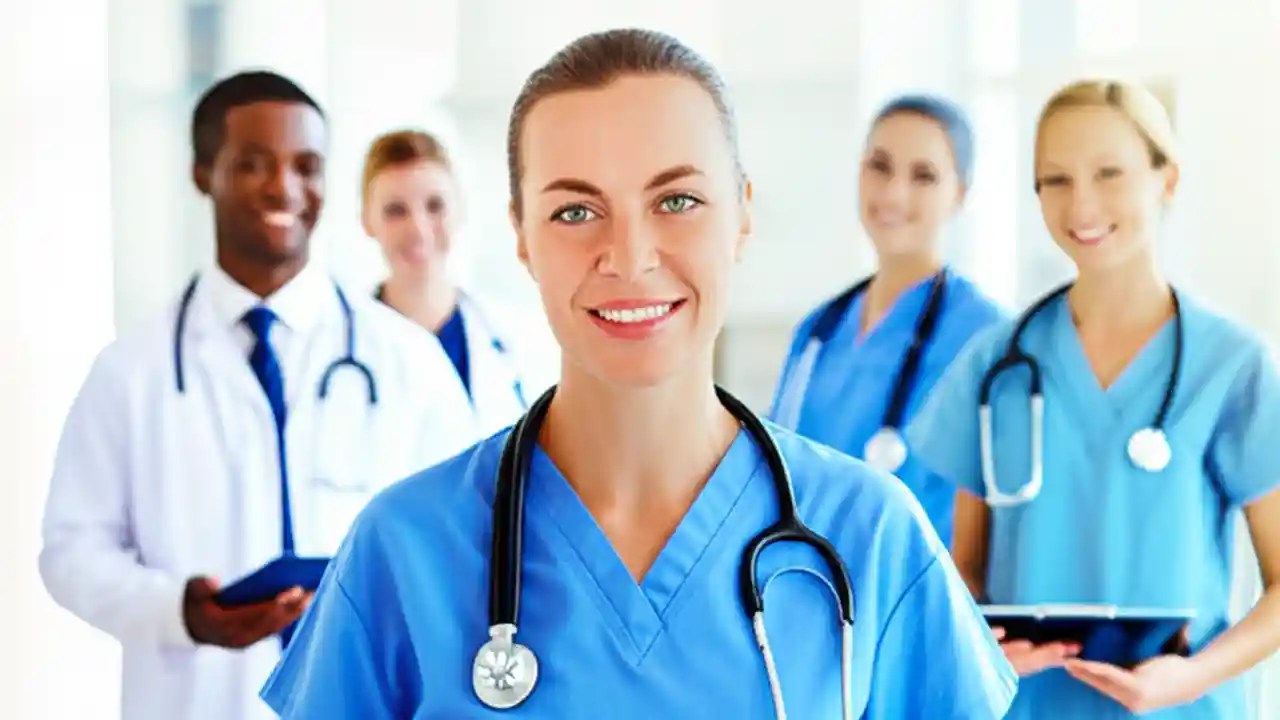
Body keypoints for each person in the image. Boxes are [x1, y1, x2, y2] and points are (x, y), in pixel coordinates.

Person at [259, 29, 1016, 719]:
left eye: (677, 200)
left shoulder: (872, 537)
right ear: (520, 234)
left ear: (742, 215)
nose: (629, 256)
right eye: (575, 212)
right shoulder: (404, 549)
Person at [38, 70, 479, 720]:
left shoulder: (406, 361)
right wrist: (177, 612)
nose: (285, 187)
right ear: (202, 172)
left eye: (307, 166)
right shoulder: (130, 373)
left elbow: (469, 537)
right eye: (253, 164)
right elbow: (71, 552)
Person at [905, 79, 1280, 718]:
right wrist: (984, 641)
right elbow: (965, 569)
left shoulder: (1232, 366)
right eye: (1054, 180)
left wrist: (1188, 681)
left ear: (1168, 180)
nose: (1081, 203)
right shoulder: (996, 364)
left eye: (1109, 173)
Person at [769, 94, 1006, 545]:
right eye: (879, 166)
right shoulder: (818, 331)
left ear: (960, 193)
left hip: (919, 597)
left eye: (924, 176)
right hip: (807, 590)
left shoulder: (986, 337)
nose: (894, 192)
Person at [362, 128, 557, 436]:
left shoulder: (519, 340)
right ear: (366, 220)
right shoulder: (345, 347)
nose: (419, 229)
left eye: (435, 206)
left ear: (460, 210)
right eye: (395, 211)